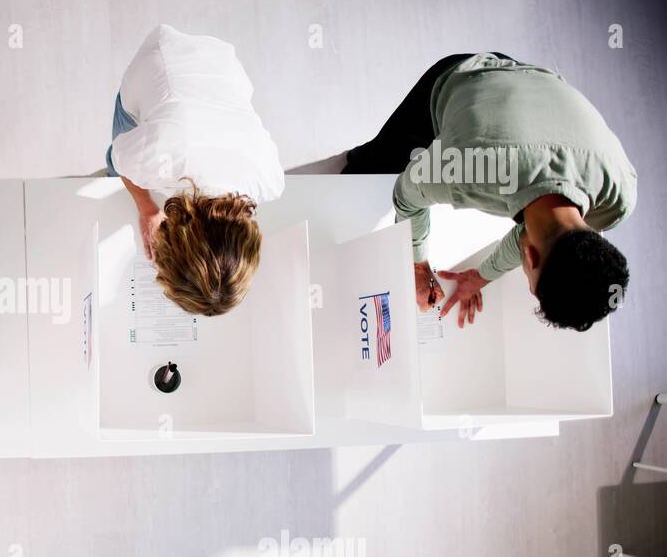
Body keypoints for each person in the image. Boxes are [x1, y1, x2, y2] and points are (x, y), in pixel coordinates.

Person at [344, 53, 636, 331]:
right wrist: (418, 265)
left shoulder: (618, 198)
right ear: (530, 259)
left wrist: (480, 277)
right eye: (531, 285)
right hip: (466, 76)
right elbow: (406, 196)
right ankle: (358, 163)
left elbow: (534, 232)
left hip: (536, 94)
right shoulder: (467, 169)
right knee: (375, 164)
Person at [106, 24, 284, 317]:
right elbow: (120, 155)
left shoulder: (269, 180)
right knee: (117, 163)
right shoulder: (158, 155)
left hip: (223, 66)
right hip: (160, 59)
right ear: (171, 241)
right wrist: (147, 209)